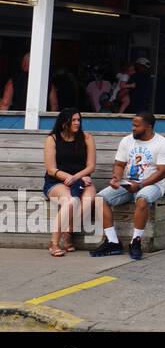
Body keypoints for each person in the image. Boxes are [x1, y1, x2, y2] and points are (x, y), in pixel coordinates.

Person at [89, 112, 165, 261]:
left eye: (136, 125)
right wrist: (116, 178)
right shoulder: (127, 141)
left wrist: (140, 184)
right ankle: (113, 242)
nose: (133, 128)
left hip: (153, 185)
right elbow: (119, 164)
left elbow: (163, 172)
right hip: (128, 183)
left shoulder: (163, 143)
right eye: (132, 125)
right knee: (99, 199)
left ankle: (136, 242)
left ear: (148, 126)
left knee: (142, 199)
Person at [43, 109, 98, 257]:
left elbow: (91, 166)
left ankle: (68, 233)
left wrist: (77, 178)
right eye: (73, 120)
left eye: (78, 120)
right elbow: (50, 169)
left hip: (82, 180)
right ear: (63, 123)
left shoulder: (87, 137)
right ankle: (54, 243)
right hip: (57, 182)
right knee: (71, 201)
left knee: (89, 200)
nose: (77, 123)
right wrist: (71, 177)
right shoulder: (52, 139)